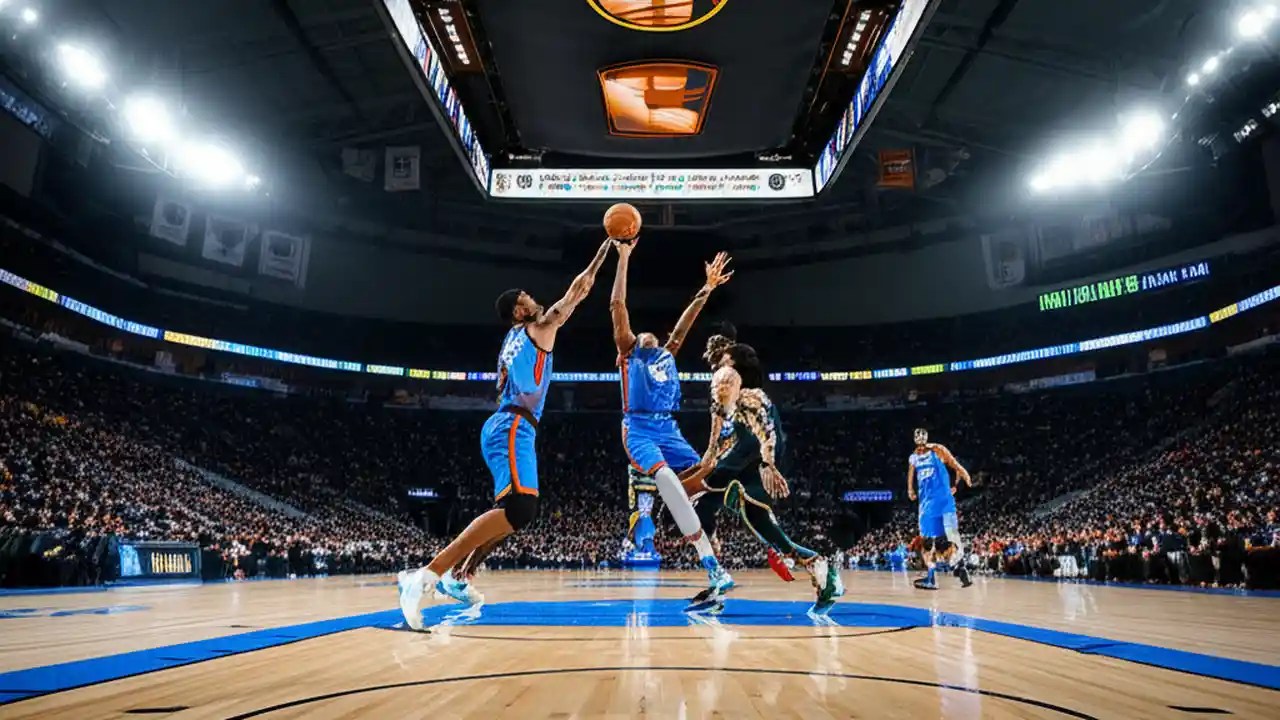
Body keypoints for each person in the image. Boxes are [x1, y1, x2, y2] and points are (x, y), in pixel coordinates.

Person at [396, 238, 614, 630]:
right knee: (519, 510)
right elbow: (579, 291)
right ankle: (427, 575)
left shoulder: (512, 340)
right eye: (527, 296)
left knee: (517, 515)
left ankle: (458, 577)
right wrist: (607, 248)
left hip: (511, 426)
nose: (534, 298)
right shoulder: (538, 328)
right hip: (512, 425)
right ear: (519, 310)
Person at [610, 239, 735, 607]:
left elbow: (684, 324)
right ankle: (713, 568)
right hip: (638, 429)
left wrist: (707, 288)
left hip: (669, 428)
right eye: (640, 333)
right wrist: (623, 257)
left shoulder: (667, 354)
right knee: (665, 480)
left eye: (653, 334)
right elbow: (618, 305)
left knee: (709, 480)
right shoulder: (629, 353)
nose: (647, 333)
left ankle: (717, 552)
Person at [683, 335, 843, 614]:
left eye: (726, 362)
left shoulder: (752, 395)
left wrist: (767, 463)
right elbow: (721, 430)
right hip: (747, 458)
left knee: (699, 504)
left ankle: (718, 577)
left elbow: (767, 430)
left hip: (754, 457)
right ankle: (821, 568)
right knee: (760, 524)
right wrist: (709, 457)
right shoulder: (729, 395)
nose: (720, 367)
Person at [907, 428, 974, 590]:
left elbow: (953, 463)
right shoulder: (915, 456)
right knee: (945, 539)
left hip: (932, 505)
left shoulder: (936, 449)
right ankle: (961, 568)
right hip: (940, 502)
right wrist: (910, 489)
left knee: (928, 542)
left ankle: (932, 578)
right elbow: (911, 474)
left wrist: (963, 473)